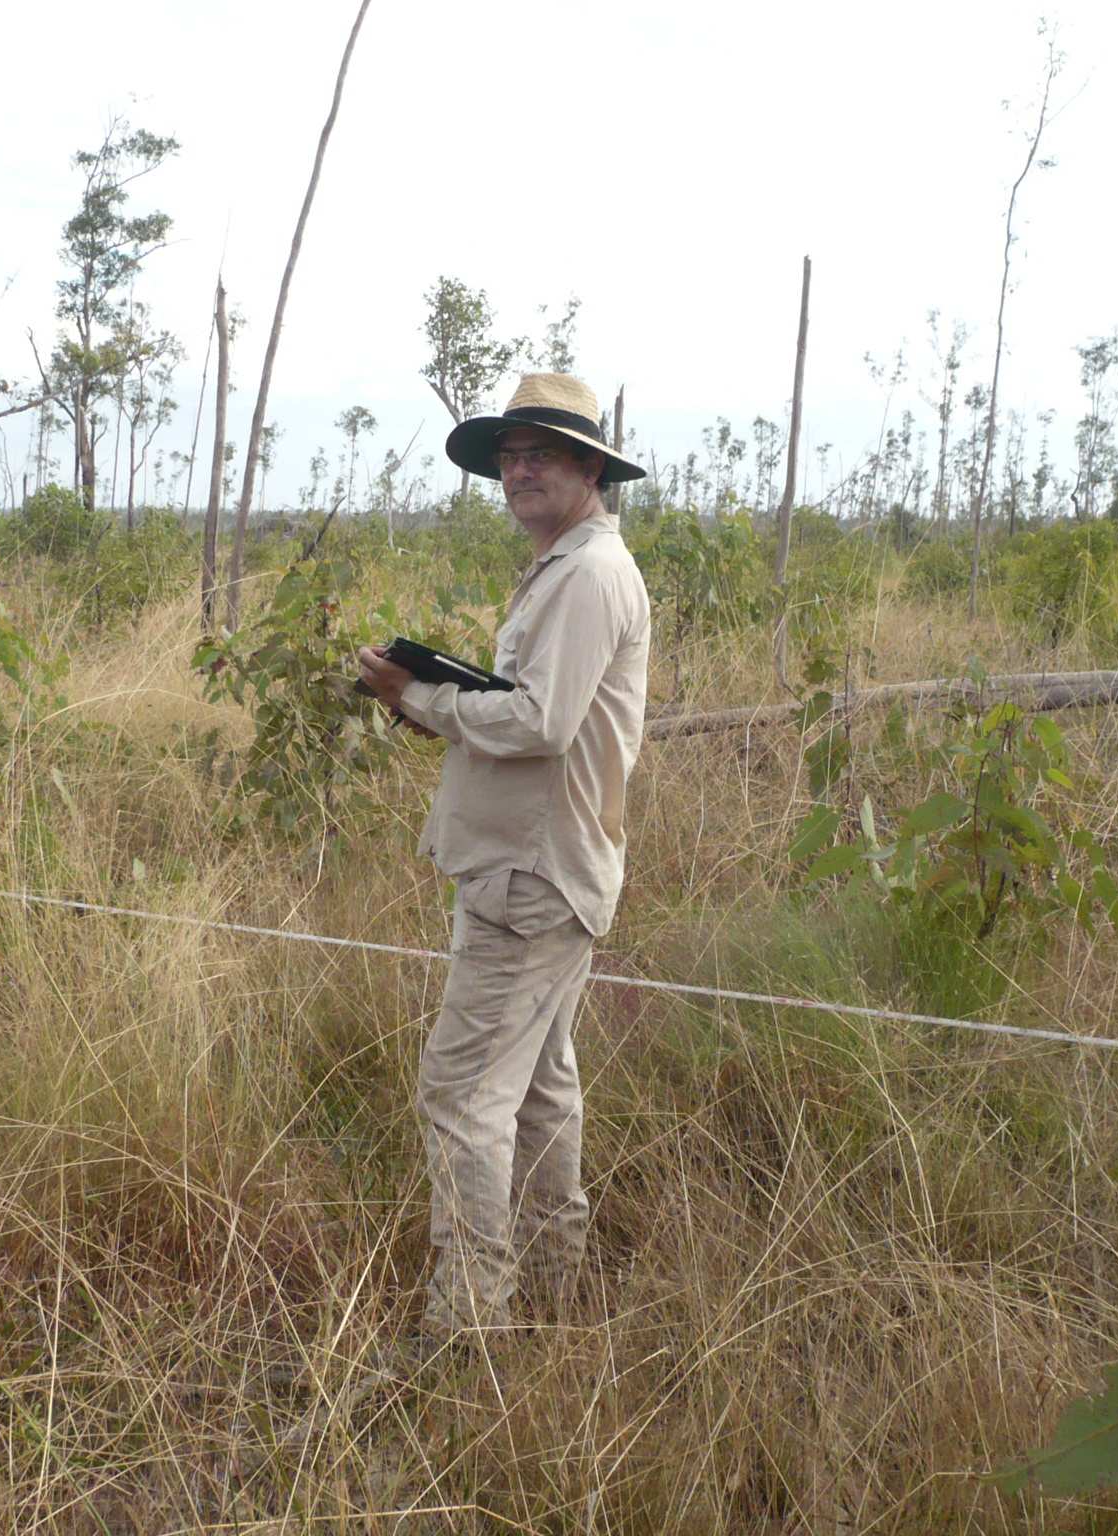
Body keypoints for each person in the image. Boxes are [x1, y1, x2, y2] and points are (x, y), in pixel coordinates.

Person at [356, 373, 651, 1345]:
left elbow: (538, 720)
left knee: (461, 1092)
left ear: (589, 468)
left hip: (529, 876)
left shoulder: (585, 574)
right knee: (535, 1085)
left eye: (541, 454)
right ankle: (552, 1284)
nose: (518, 471)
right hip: (541, 866)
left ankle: (468, 1323)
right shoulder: (566, 567)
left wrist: (416, 698)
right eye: (508, 456)